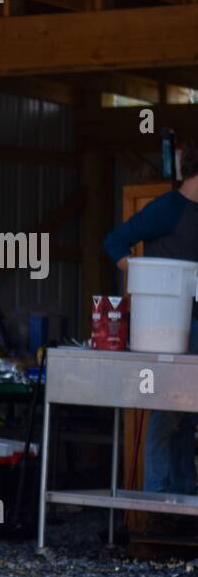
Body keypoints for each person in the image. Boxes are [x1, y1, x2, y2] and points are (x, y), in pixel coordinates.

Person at [102, 137, 198, 496]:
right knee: (166, 411)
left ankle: (185, 493)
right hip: (167, 325)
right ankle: (156, 497)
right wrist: (142, 273)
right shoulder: (168, 208)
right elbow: (115, 241)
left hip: (196, 323)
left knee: (189, 413)